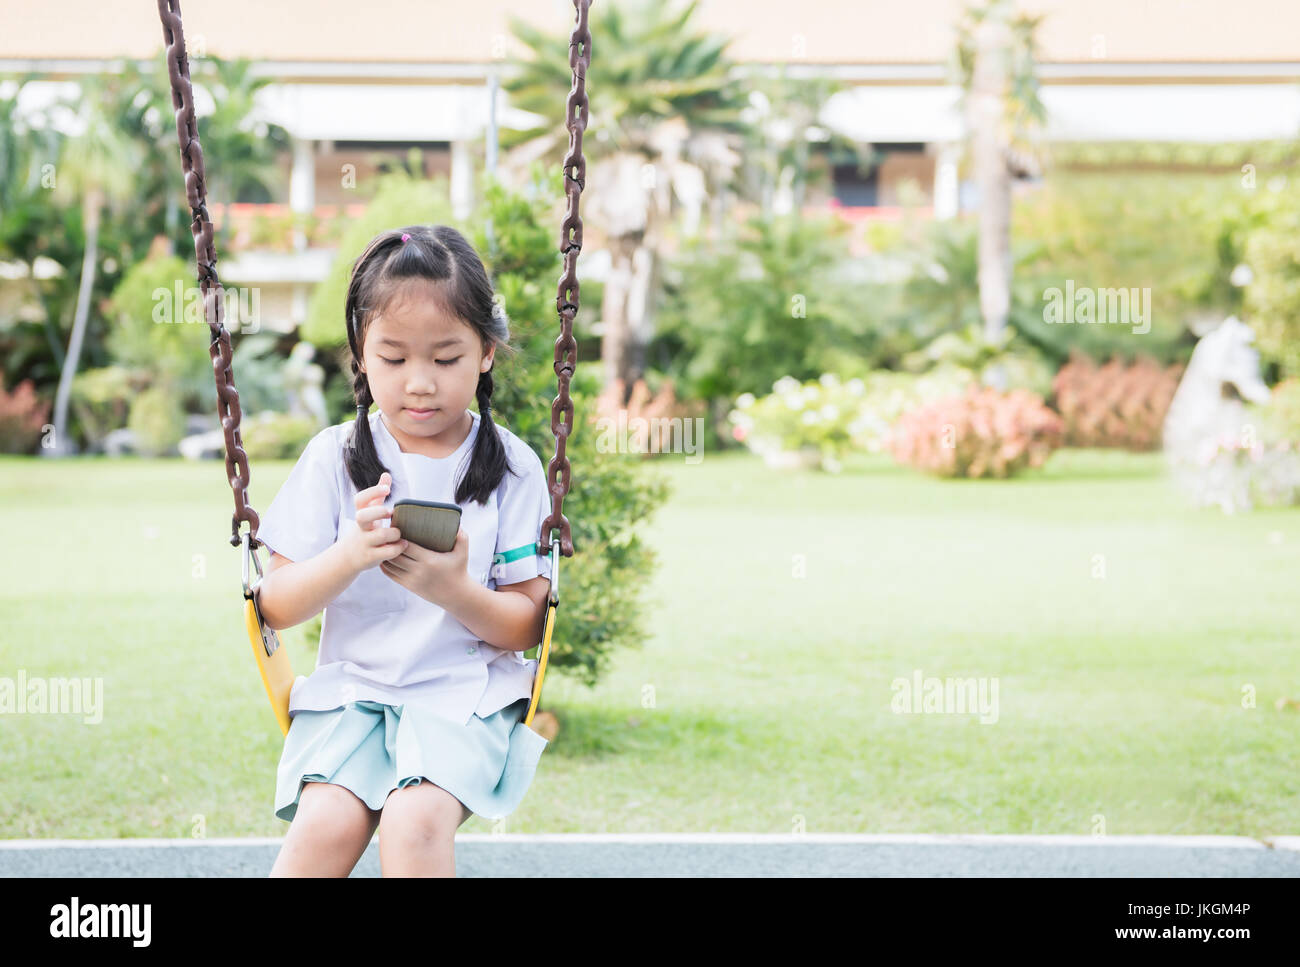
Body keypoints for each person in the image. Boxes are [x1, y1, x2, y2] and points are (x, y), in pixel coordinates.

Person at [256, 225, 554, 877]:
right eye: (393, 358)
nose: (419, 383)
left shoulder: (513, 469)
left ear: (486, 354)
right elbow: (274, 606)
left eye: (445, 359)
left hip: (463, 696)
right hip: (353, 694)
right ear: (360, 356)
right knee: (323, 824)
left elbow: (528, 624)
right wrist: (349, 553)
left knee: (414, 822)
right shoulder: (333, 458)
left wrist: (453, 589)